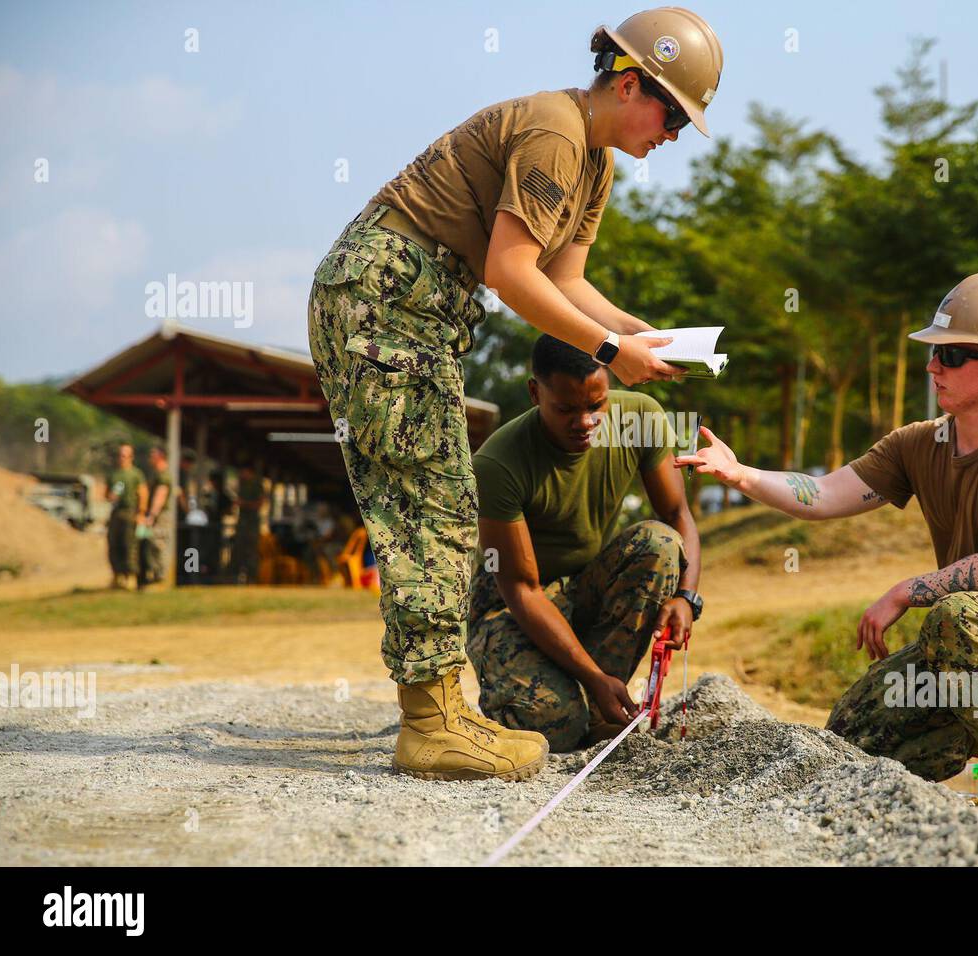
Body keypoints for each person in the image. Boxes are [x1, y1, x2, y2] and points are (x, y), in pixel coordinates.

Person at [306, 8, 724, 781]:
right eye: (671, 113)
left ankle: (441, 709)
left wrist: (646, 339)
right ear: (629, 82)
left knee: (439, 501)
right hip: (382, 303)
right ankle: (431, 724)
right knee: (431, 505)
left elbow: (566, 282)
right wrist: (610, 351)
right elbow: (509, 272)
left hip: (413, 311)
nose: (672, 134)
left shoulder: (591, 160)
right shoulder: (557, 132)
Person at [676, 272, 978, 822]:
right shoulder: (920, 443)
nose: (932, 367)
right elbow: (824, 493)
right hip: (968, 637)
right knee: (854, 734)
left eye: (949, 354)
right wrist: (743, 476)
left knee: (957, 616)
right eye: (933, 353)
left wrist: (904, 591)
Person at [469, 336, 702, 751]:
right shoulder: (498, 463)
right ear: (535, 392)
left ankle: (601, 710)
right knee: (555, 727)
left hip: (586, 586)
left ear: (609, 383)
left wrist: (686, 597)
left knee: (659, 543)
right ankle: (580, 696)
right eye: (566, 409)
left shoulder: (640, 418)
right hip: (512, 607)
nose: (584, 422)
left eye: (596, 405)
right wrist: (592, 678)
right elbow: (522, 590)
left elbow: (676, 516)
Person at [104, 444, 147, 591]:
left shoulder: (136, 474)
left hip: (130, 513)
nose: (122, 458)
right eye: (120, 455)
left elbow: (142, 493)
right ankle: (118, 576)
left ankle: (131, 576)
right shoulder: (114, 474)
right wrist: (111, 496)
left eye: (125, 455)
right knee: (114, 544)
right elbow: (107, 494)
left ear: (131, 457)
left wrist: (141, 513)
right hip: (116, 513)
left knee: (130, 545)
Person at [139, 446, 174, 589]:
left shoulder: (163, 475)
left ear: (160, 456)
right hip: (155, 515)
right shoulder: (156, 473)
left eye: (153, 454)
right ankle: (154, 575)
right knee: (149, 543)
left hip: (160, 516)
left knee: (158, 543)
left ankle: (161, 577)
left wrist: (152, 515)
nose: (150, 457)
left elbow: (160, 496)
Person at [227, 464, 266, 584]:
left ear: (249, 471)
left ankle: (252, 577)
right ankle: (236, 576)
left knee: (251, 551)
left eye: (243, 472)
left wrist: (243, 504)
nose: (241, 474)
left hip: (252, 524)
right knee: (238, 550)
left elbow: (259, 504)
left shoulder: (256, 485)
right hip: (242, 523)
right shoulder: (242, 485)